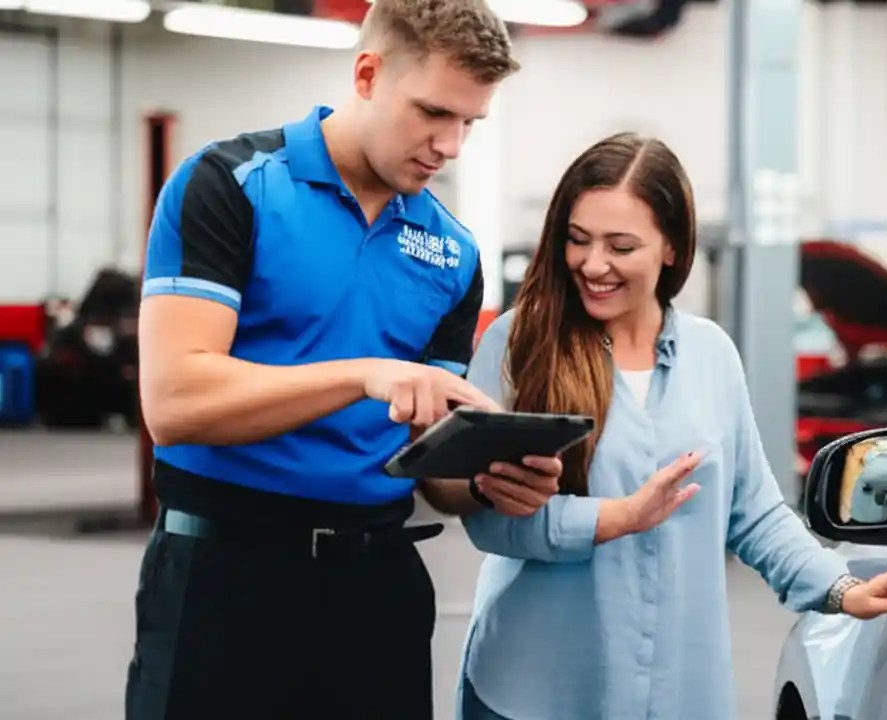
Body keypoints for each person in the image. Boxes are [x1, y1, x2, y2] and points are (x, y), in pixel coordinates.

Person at [125, 2, 563, 718]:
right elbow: (173, 403)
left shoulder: (453, 253)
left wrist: (487, 476)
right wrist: (364, 374)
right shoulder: (229, 185)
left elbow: (431, 464)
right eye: (432, 113)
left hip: (376, 590)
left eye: (469, 123)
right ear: (368, 73)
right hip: (223, 578)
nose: (450, 144)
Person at [454, 133, 887, 720]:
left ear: (671, 249)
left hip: (678, 693)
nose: (593, 264)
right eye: (577, 240)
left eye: (621, 245)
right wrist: (612, 519)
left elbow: (754, 512)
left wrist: (838, 588)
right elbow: (487, 520)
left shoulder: (711, 355)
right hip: (535, 692)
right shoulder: (520, 343)